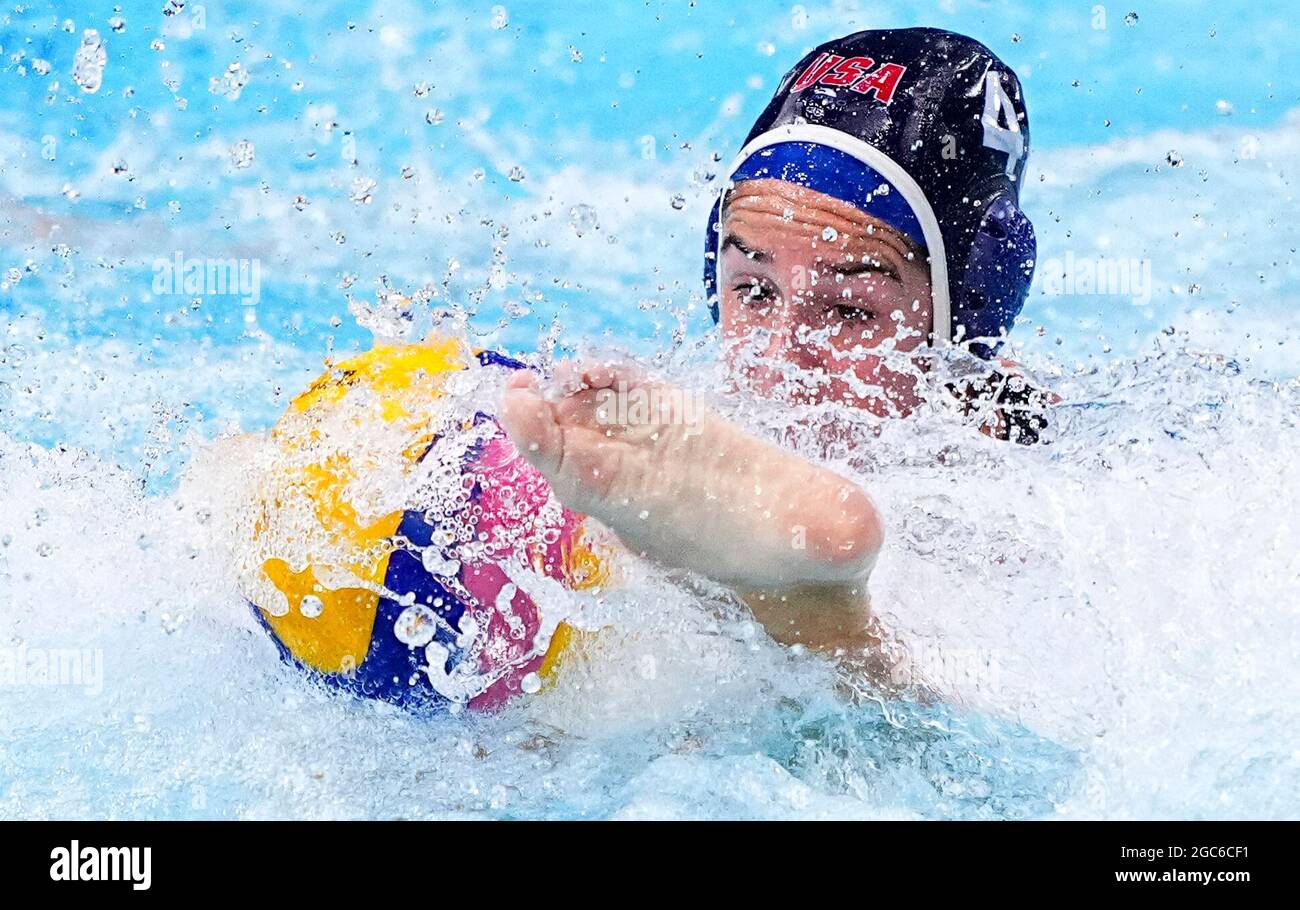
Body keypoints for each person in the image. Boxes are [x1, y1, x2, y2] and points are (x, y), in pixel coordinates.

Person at [499, 28, 1041, 665]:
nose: (782, 359)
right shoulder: (653, 428)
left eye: (848, 310)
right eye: (754, 292)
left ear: (961, 321)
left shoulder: (1028, 514)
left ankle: (818, 614)